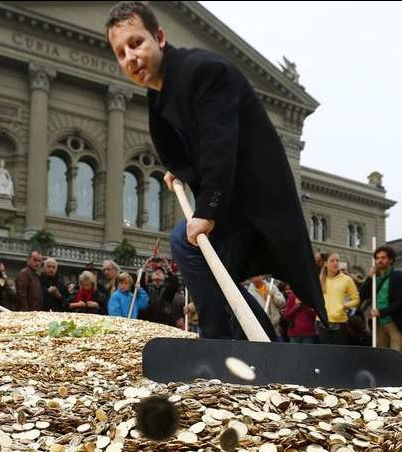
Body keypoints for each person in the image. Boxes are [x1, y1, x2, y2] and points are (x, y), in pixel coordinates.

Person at [105, 1, 325, 340]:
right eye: (120, 52)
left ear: (159, 37)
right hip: (233, 204)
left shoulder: (204, 71)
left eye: (136, 43)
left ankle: (221, 341)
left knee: (188, 243)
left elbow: (220, 144)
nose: (130, 58)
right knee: (206, 265)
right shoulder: (160, 95)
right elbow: (188, 146)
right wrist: (179, 170)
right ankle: (260, 345)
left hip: (254, 204)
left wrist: (206, 209)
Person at [360, 246, 402, 353]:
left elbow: (400, 300)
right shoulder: (375, 277)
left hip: (394, 321)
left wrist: (382, 312)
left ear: (391, 260)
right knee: (383, 354)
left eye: (383, 258)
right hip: (378, 323)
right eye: (377, 258)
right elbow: (363, 295)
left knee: (396, 354)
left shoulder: (399, 276)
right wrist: (369, 278)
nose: (379, 260)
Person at [316, 252, 359, 344]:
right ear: (325, 264)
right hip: (321, 321)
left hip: (340, 322)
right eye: (332, 261)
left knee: (339, 352)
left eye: (337, 261)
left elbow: (356, 299)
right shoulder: (319, 279)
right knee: (326, 352)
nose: (335, 263)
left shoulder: (347, 279)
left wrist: (345, 305)